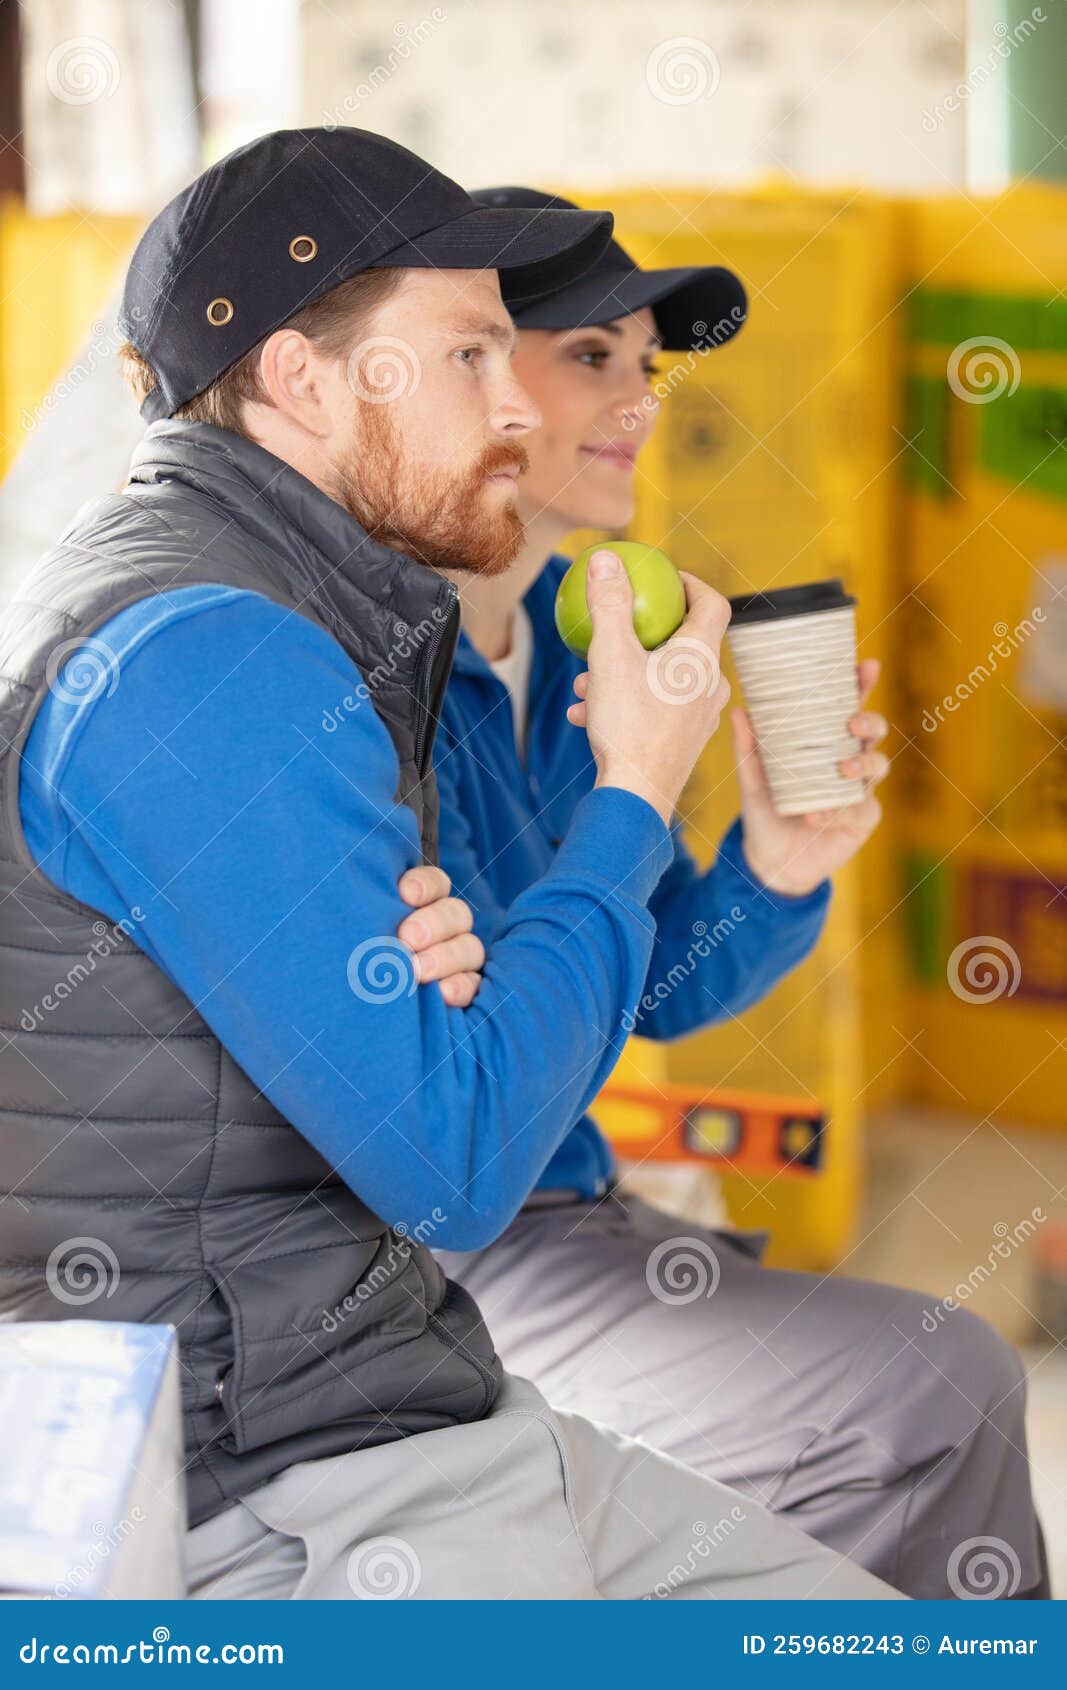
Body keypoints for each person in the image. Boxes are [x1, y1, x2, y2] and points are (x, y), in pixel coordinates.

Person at [0, 129, 902, 1601]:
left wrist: (741, 865)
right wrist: (631, 790)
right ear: (301, 380)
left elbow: (502, 1040)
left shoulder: (325, 617)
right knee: (917, 1403)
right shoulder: (210, 660)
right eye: (478, 355)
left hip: (417, 1398)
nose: (521, 406)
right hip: (281, 1487)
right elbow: (461, 1154)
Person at [429, 187, 1048, 1602]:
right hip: (445, 1253)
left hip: (561, 1205)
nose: (639, 400)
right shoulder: (390, 682)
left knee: (925, 1397)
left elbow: (636, 986)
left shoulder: (547, 645)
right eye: (592, 353)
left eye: (649, 365)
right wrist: (634, 795)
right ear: (464, 363)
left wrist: (775, 860)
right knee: (936, 1382)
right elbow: (477, 1072)